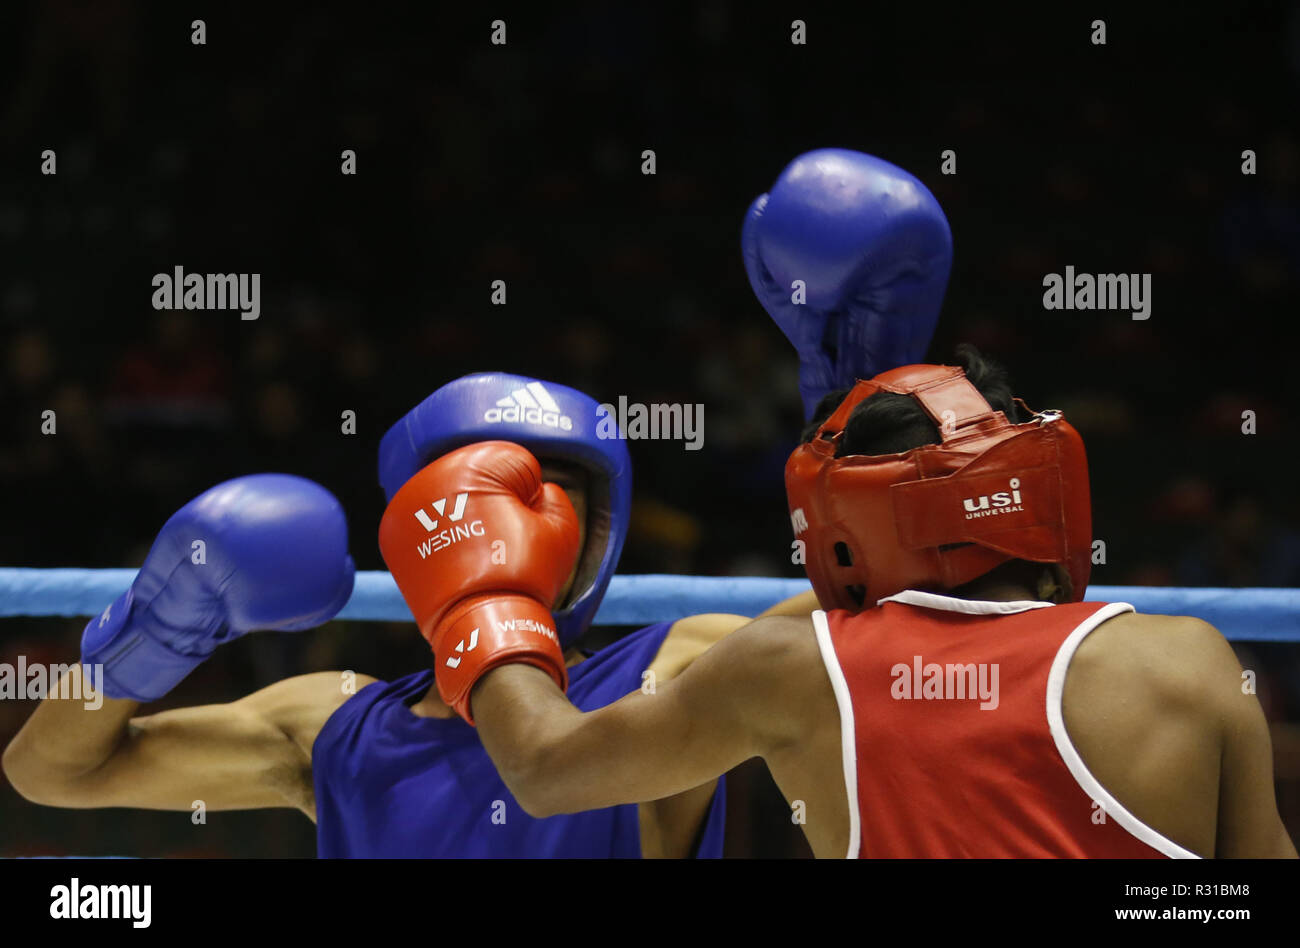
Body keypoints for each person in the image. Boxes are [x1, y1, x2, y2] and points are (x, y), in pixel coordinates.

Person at [389, 347, 1298, 859]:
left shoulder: (798, 671)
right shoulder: (1193, 660)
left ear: (842, 529)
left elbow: (549, 772)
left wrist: (484, 598)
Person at [1, 374, 758, 857]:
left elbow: (851, 650)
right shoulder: (337, 722)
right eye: (476, 505)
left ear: (596, 538)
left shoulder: (672, 673)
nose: (513, 532)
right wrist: (151, 631)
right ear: (420, 533)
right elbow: (48, 772)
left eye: (546, 502)